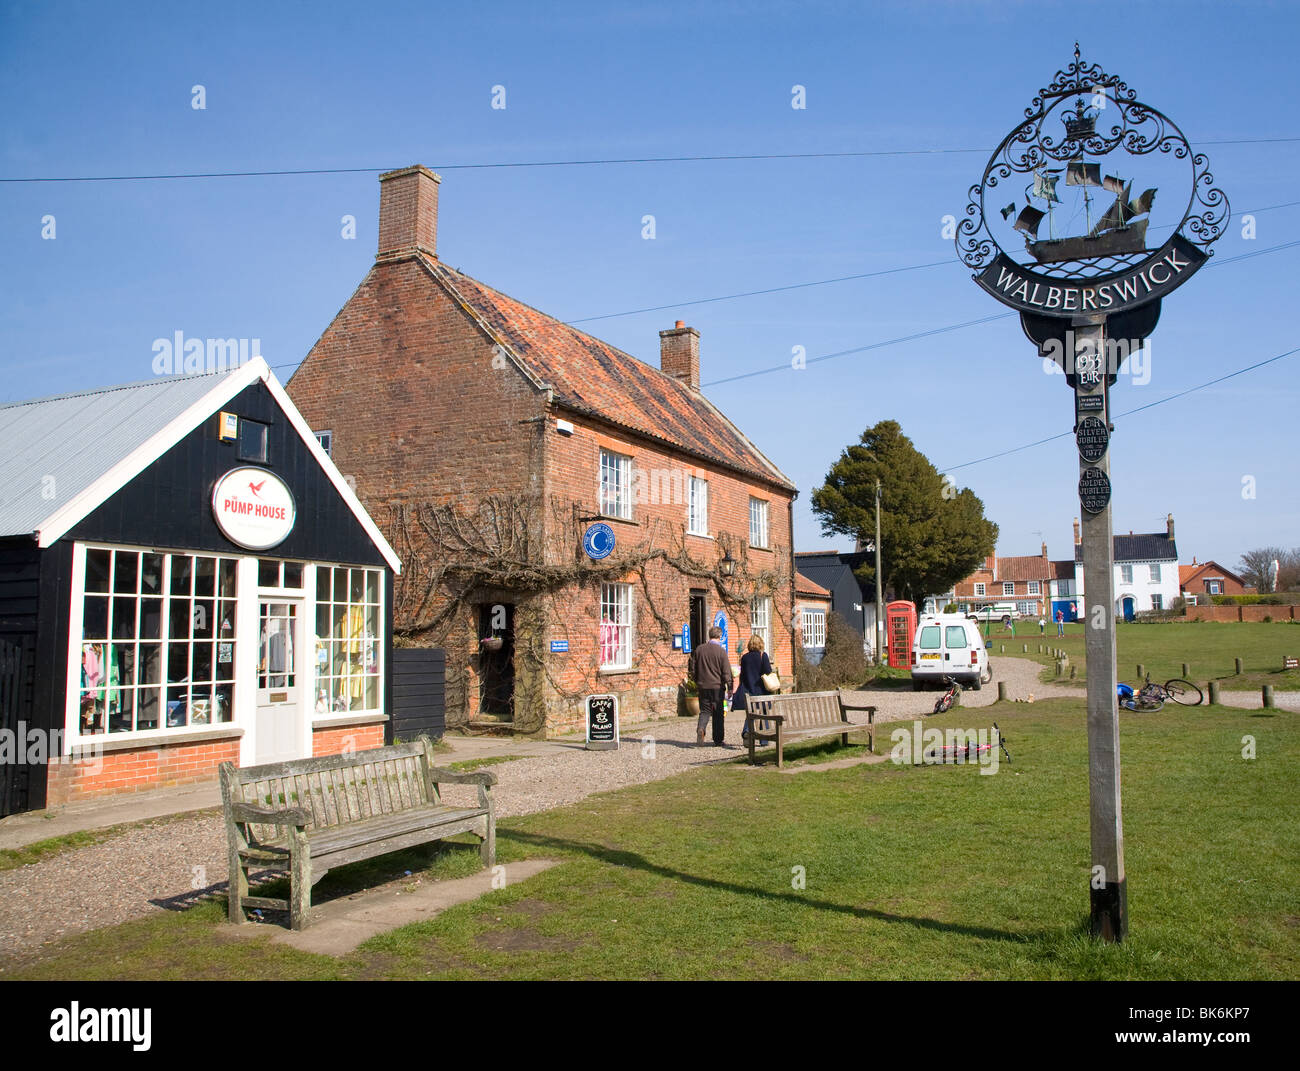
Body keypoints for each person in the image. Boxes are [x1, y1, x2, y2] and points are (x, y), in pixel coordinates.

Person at [693, 626, 735, 747]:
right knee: (718, 713)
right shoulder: (721, 651)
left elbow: (693, 668)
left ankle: (701, 729)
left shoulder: (699, 649)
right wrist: (730, 687)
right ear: (719, 636)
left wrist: (697, 682)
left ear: (709, 635)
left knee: (705, 711)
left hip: (703, 686)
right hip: (717, 687)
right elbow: (726, 671)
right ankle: (718, 740)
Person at [734, 634, 775, 744]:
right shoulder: (763, 656)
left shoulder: (745, 658)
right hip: (761, 690)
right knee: (764, 713)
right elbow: (767, 672)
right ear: (761, 644)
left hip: (748, 689)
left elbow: (742, 675)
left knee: (751, 714)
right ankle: (764, 740)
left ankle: (746, 731)